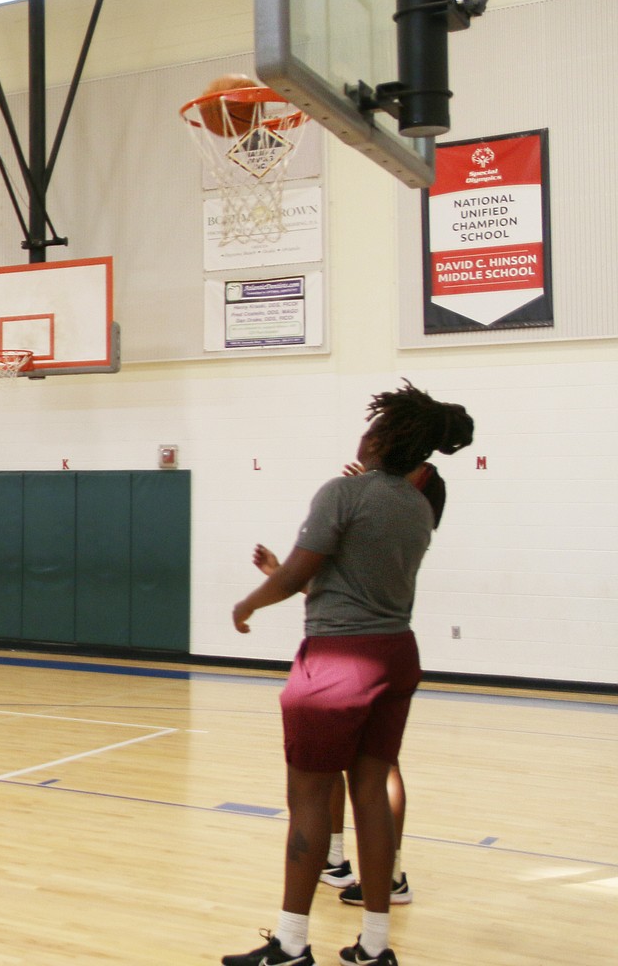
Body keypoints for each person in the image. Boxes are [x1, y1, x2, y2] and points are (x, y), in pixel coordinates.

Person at [224, 382, 473, 966]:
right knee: (372, 793)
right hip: (395, 654)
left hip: (336, 662)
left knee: (309, 797)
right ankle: (375, 946)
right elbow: (346, 582)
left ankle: (288, 945)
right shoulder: (417, 507)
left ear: (383, 437)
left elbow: (295, 580)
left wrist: (249, 604)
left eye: (372, 425)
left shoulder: (343, 493)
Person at [254, 463, 445, 912]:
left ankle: (389, 874)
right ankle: (338, 860)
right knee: (343, 770)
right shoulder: (393, 512)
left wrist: (372, 489)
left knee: (374, 775)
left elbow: (345, 589)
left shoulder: (408, 503)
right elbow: (336, 589)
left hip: (357, 655)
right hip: (380, 648)